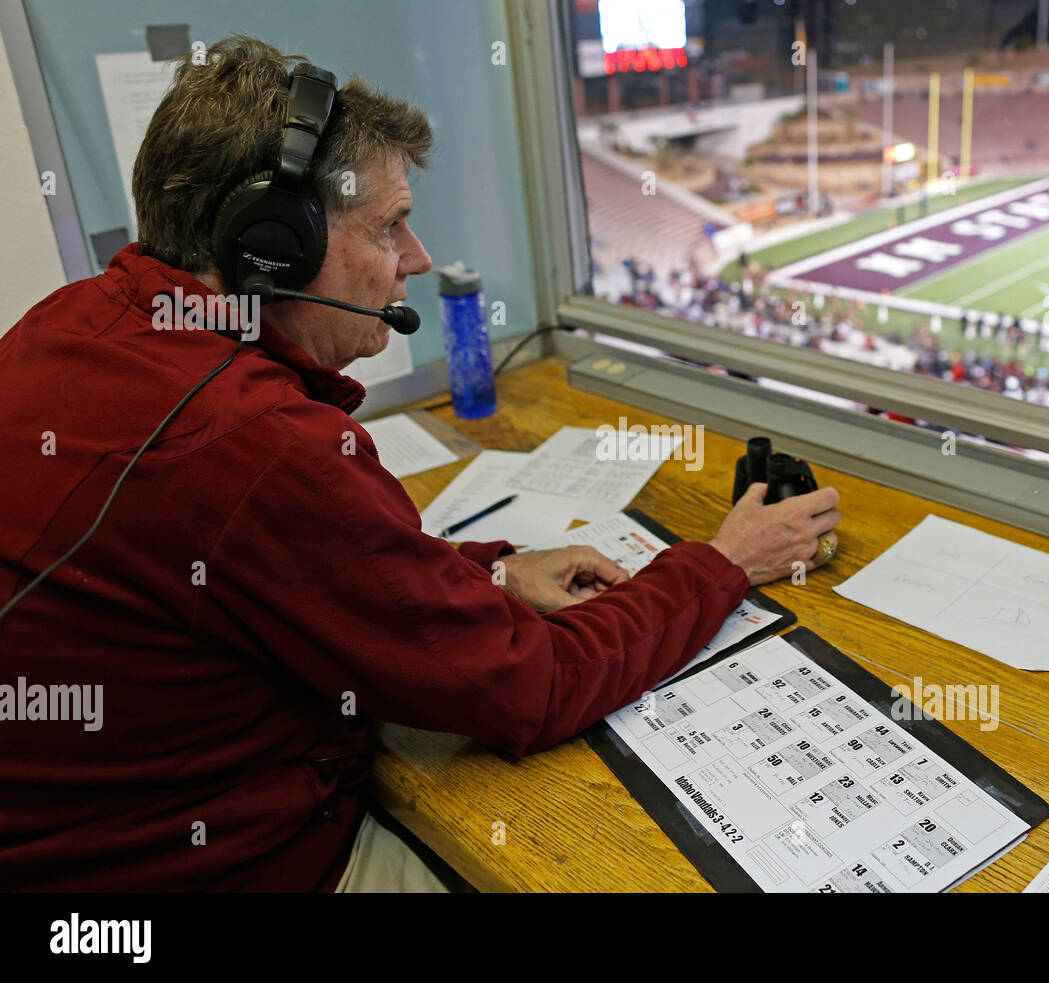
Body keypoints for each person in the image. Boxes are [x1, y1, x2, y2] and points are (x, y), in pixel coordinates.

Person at [0, 37, 841, 891]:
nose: (419, 257)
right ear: (272, 247)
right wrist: (723, 563)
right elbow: (534, 687)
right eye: (387, 225)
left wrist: (497, 575)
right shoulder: (258, 447)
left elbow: (306, 575)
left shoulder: (72, 321)